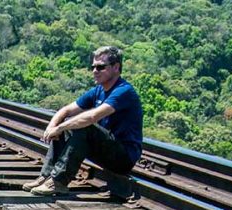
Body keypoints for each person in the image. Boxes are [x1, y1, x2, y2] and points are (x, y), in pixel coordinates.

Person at [23, 46, 143, 197]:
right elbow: (65, 110)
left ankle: (58, 181)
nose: (95, 71)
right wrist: (52, 126)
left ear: (116, 67)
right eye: (93, 67)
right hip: (107, 150)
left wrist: (60, 127)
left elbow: (92, 117)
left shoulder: (123, 91)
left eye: (100, 67)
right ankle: (46, 176)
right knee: (68, 124)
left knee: (82, 126)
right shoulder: (98, 90)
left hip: (123, 157)